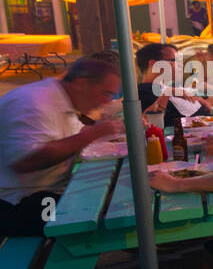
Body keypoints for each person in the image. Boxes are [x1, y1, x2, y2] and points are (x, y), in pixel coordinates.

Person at [0, 58, 122, 235]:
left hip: (46, 194)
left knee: (113, 199)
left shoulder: (61, 99)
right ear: (82, 83)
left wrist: (116, 131)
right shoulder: (33, 103)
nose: (107, 101)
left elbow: (74, 138)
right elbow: (24, 161)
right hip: (17, 205)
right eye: (105, 93)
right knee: (102, 216)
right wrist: (92, 134)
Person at [137, 43, 205, 130]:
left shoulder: (166, 88)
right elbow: (150, 123)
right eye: (175, 60)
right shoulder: (144, 91)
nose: (180, 65)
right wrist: (168, 93)